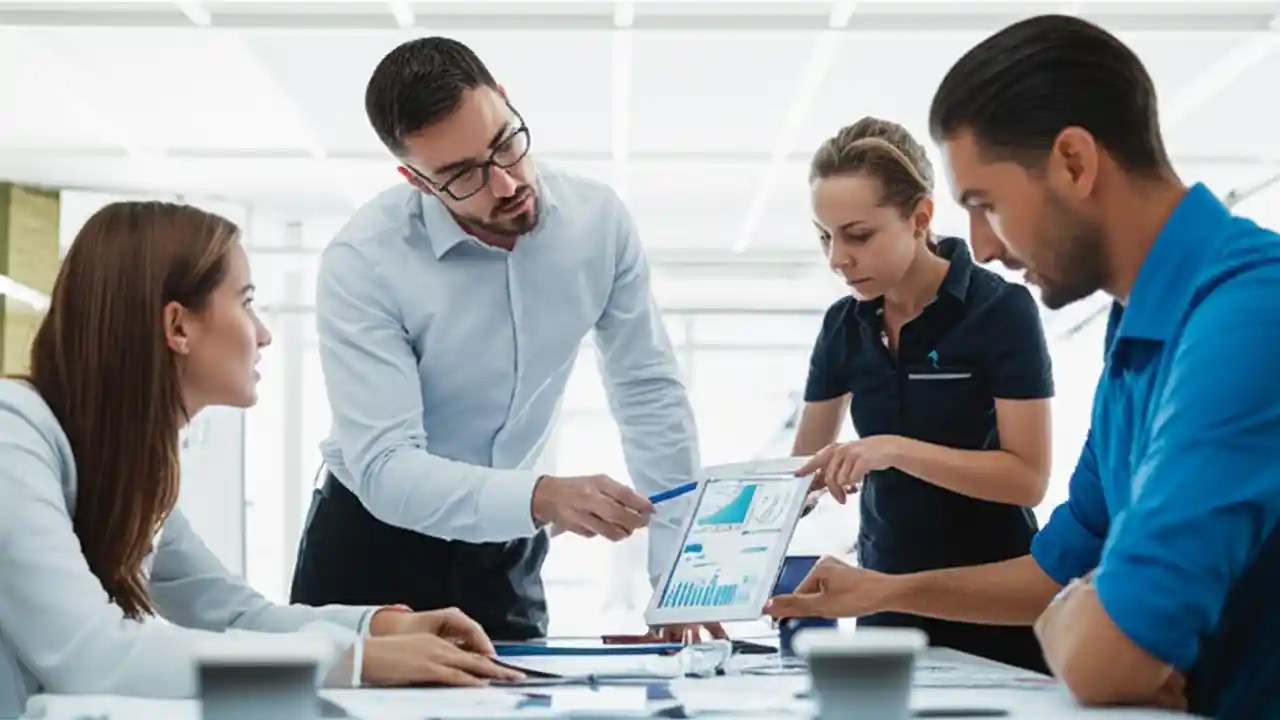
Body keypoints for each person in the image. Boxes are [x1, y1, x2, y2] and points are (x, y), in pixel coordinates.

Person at [770, 14, 1280, 718]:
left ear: (1074, 162)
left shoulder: (1251, 313)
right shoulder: (1137, 334)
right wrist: (882, 591)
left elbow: (1105, 659)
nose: (981, 246)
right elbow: (1055, 571)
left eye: (986, 205)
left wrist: (1099, 624)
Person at [0, 202, 524, 718]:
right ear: (178, 327)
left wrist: (380, 628)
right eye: (246, 302)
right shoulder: (13, 436)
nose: (264, 334)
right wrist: (355, 661)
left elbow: (233, 614)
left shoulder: (130, 469)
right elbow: (94, 656)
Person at [289, 36, 715, 643]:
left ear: (508, 102)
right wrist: (542, 496)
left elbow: (647, 392)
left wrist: (676, 574)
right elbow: (385, 465)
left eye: (506, 143)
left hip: (508, 546)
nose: (507, 184)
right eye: (463, 176)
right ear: (417, 180)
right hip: (373, 545)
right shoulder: (364, 262)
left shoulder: (597, 222)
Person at [790, 117, 1053, 672]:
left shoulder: (1000, 311)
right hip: (882, 600)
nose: (837, 258)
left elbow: (1027, 478)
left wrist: (893, 450)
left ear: (920, 218)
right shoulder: (842, 324)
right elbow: (799, 473)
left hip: (992, 601)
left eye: (858, 235)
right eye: (825, 236)